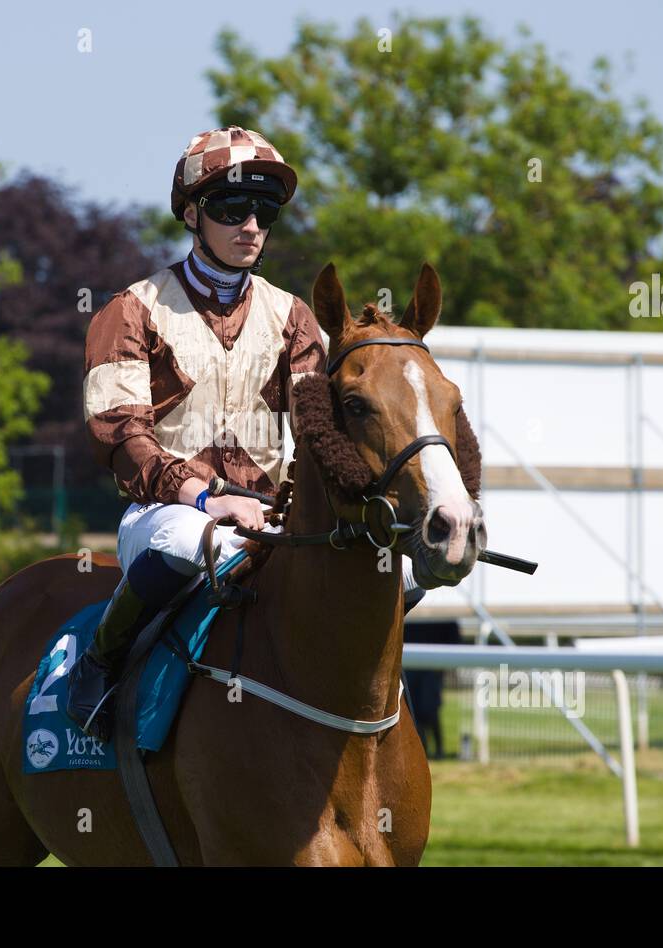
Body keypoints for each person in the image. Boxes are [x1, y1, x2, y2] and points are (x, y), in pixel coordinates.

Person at [69, 125, 428, 741]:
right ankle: (102, 664)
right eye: (232, 208)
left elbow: (320, 432)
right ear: (191, 214)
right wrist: (208, 497)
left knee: (399, 570)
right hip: (165, 515)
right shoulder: (129, 310)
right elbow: (121, 438)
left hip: (269, 516)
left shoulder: (294, 317)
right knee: (191, 542)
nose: (251, 226)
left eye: (264, 211)